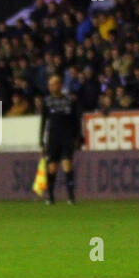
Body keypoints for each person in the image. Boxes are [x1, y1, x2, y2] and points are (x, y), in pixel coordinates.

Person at [39, 74, 80, 204]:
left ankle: (71, 196)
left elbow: (76, 120)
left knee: (67, 165)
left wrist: (77, 136)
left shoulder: (70, 101)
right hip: (53, 138)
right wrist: (41, 139)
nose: (51, 87)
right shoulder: (46, 102)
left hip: (67, 138)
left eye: (54, 84)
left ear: (60, 85)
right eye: (50, 84)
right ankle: (50, 196)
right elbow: (44, 121)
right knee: (52, 168)